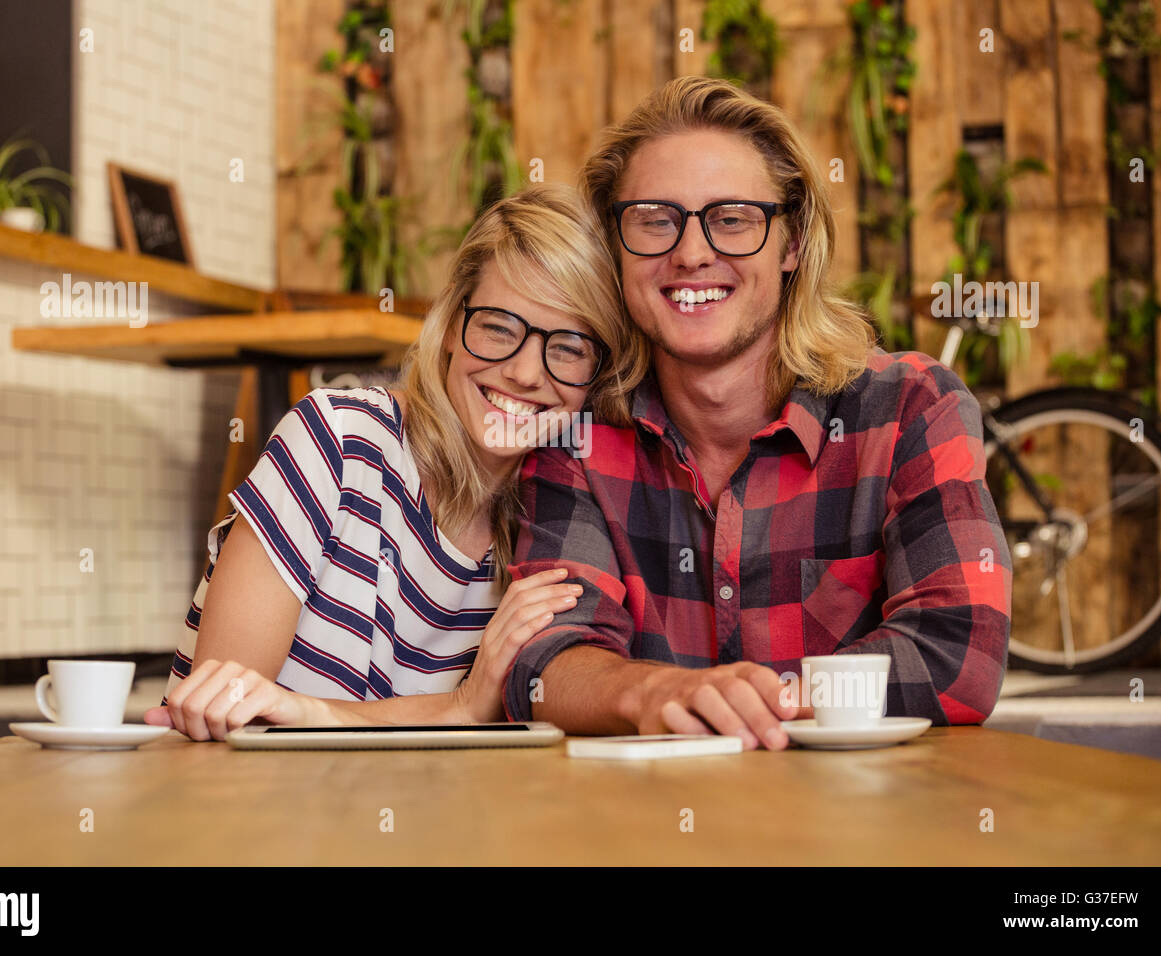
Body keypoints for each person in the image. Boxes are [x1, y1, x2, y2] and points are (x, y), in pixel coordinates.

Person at [501, 76, 1011, 749]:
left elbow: (958, 651)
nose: (690, 253)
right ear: (617, 249)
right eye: (655, 220)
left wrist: (746, 701)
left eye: (732, 218)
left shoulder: (911, 407)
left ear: (792, 242)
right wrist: (656, 692)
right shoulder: (578, 436)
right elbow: (544, 665)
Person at [144, 182, 648, 741]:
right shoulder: (338, 439)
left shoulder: (560, 525)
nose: (526, 373)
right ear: (452, 325)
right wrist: (458, 707)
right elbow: (221, 717)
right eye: (499, 328)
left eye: (569, 347)